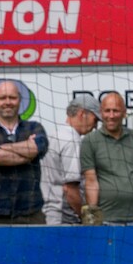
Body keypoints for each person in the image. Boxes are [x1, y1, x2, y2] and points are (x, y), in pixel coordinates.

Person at [0, 80, 50, 225]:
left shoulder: (35, 127)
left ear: (20, 100)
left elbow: (38, 148)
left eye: (12, 97)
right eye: (3, 98)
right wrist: (28, 154)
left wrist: (0, 148)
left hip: (31, 213)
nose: (7, 102)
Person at [79, 91, 133, 225]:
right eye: (107, 111)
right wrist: (93, 219)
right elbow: (91, 182)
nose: (111, 116)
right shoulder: (89, 141)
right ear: (101, 113)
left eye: (116, 111)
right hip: (106, 220)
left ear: (124, 113)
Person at [41, 95, 100, 225]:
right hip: (65, 217)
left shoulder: (53, 135)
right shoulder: (72, 140)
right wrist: (85, 217)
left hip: (49, 213)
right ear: (82, 113)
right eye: (95, 120)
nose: (95, 126)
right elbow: (70, 189)